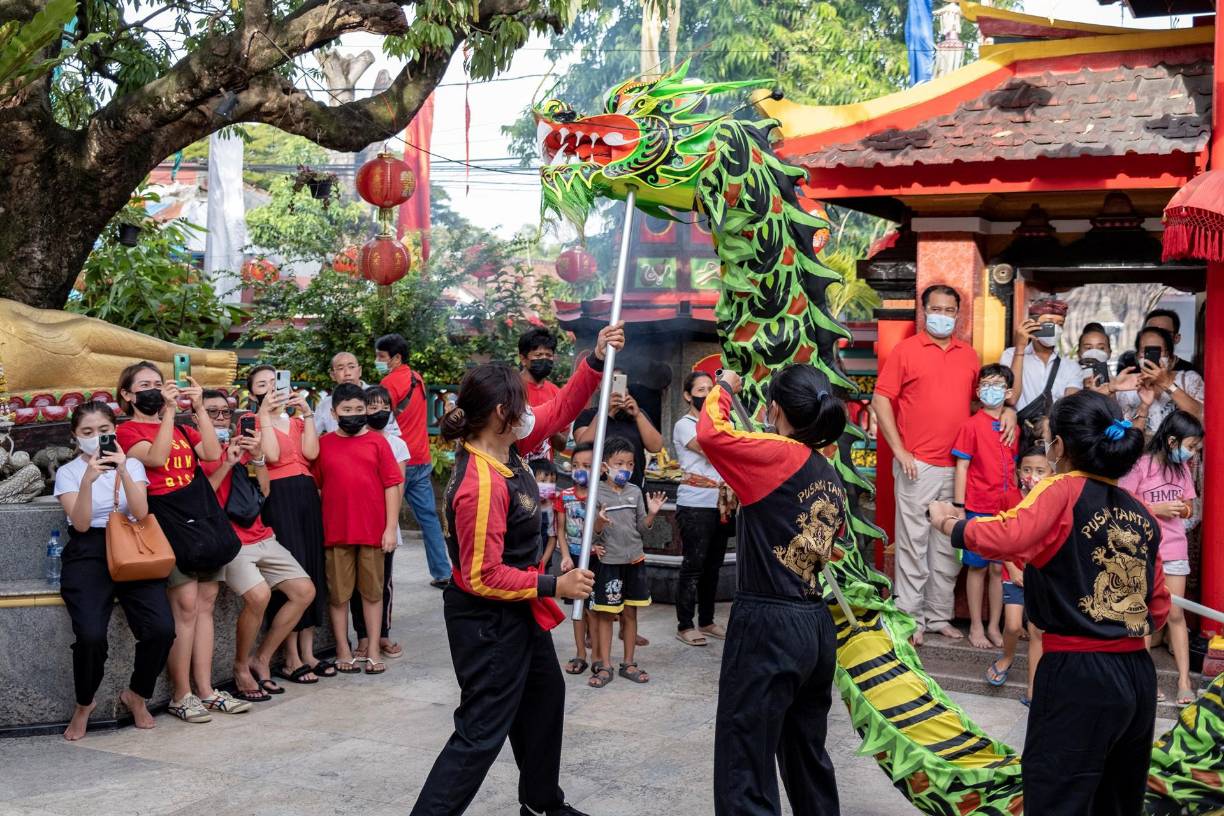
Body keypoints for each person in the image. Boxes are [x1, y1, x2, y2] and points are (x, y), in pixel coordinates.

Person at [408, 323, 624, 816]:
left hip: (521, 613)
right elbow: (480, 575)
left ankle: (542, 804)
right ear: (503, 414)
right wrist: (555, 582)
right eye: (523, 406)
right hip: (488, 624)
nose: (532, 412)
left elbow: (563, 407)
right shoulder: (480, 482)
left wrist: (593, 360)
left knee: (545, 701)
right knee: (481, 732)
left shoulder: (512, 448)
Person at [930, 390, 1170, 815]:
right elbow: (1159, 607)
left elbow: (1009, 535)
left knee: (1057, 797)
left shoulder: (1061, 489)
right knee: (1117, 801)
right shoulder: (1141, 512)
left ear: (1058, 446)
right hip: (1137, 676)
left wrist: (951, 524)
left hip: (1079, 673)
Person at [698, 365, 848, 816]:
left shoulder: (778, 454)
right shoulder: (826, 469)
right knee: (806, 754)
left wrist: (724, 385)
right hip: (813, 623)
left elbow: (711, 434)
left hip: (768, 623)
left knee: (745, 758)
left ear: (775, 408)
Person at [872, 284, 1009, 645]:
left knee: (949, 546)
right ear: (924, 311)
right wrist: (900, 451)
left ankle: (937, 616)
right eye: (937, 309)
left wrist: (1007, 411)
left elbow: (983, 405)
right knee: (913, 544)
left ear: (958, 315)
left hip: (962, 467)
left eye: (950, 310)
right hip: (918, 464)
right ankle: (909, 619)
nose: (943, 316)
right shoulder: (906, 351)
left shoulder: (970, 356)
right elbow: (881, 401)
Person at [115, 361, 249, 723]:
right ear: (127, 395)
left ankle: (205, 690)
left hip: (200, 519)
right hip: (165, 522)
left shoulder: (177, 426)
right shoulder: (126, 431)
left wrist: (199, 409)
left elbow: (209, 452)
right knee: (185, 604)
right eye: (144, 385)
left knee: (205, 602)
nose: (155, 389)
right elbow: (156, 459)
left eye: (158, 383)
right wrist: (171, 411)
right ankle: (181, 693)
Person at [54, 402, 175, 741]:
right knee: (91, 636)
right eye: (88, 433)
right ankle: (85, 703)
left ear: (114, 431)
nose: (97, 438)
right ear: (75, 437)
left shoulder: (133, 463)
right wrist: (89, 481)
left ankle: (137, 693)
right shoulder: (68, 472)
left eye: (103, 431)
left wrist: (121, 470)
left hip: (132, 543)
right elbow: (78, 524)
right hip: (88, 549)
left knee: (162, 629)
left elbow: (141, 510)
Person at [198, 390, 316, 699]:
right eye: (213, 412)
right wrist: (226, 462)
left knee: (305, 591)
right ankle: (240, 666)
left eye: (226, 413)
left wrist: (258, 457)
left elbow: (264, 491)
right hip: (231, 541)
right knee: (260, 595)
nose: (221, 418)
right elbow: (202, 500)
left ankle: (261, 658)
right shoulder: (196, 451)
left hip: (261, 534)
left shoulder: (243, 447)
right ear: (199, 416)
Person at [313, 382, 403, 675]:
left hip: (372, 533)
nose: (354, 414)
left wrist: (390, 528)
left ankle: (373, 649)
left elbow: (392, 485)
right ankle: (342, 648)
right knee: (339, 595)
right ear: (334, 412)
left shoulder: (379, 443)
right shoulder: (323, 444)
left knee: (373, 593)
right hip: (336, 533)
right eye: (347, 410)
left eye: (359, 409)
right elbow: (315, 486)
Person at [248, 365, 330, 682]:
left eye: (275, 381)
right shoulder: (255, 423)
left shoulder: (296, 421)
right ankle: (290, 657)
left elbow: (311, 452)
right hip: (279, 496)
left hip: (306, 493)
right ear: (255, 392)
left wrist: (308, 413)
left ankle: (307, 651)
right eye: (262, 384)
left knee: (312, 564)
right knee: (292, 565)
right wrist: (266, 416)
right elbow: (269, 455)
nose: (271, 387)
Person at [1120, 410, 1202, 706]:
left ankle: (1184, 680)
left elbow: (1190, 506)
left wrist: (1183, 510)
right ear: (1172, 440)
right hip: (1143, 551)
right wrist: (1157, 510)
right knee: (1142, 617)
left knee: (1175, 614)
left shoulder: (1183, 470)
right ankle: (1147, 680)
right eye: (1190, 446)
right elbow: (1123, 505)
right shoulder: (1141, 465)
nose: (1191, 453)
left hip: (1175, 550)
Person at [952, 363, 1021, 650]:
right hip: (978, 506)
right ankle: (976, 626)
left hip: (1007, 509)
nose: (989, 389)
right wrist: (959, 506)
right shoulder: (971, 425)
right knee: (977, 568)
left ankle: (995, 625)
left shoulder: (1011, 426)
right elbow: (962, 467)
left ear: (1008, 393)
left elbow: (1015, 468)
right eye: (985, 384)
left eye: (996, 384)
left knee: (998, 570)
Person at [376, 333, 452, 589]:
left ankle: (379, 573)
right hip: (420, 456)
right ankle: (442, 572)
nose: (378, 361)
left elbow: (380, 420)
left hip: (397, 459)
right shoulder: (416, 378)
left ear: (396, 358)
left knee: (384, 517)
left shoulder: (388, 383)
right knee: (429, 517)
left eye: (381, 357)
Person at [588, 436, 665, 688]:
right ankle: (605, 664)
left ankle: (628, 662)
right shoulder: (596, 492)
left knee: (630, 613)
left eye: (630, 465)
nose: (624, 469)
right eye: (619, 463)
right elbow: (593, 533)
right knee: (606, 615)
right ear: (604, 466)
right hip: (609, 561)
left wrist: (652, 513)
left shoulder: (635, 492)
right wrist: (599, 521)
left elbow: (642, 528)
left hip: (634, 559)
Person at [985, 445, 1052, 706]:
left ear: (1050, 473)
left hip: (1042, 577)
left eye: (1039, 470)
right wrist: (1012, 568)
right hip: (1013, 572)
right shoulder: (1008, 498)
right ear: (1017, 472)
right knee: (1013, 625)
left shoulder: (1051, 500)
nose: (1031, 475)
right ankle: (1007, 656)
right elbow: (999, 538)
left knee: (1037, 631)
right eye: (1026, 470)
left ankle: (1033, 690)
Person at [349, 384, 411, 661]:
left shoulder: (396, 444)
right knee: (354, 583)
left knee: (382, 581)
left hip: (384, 522)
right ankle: (362, 636)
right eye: (373, 406)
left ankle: (382, 634)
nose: (379, 412)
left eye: (385, 407)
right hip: (355, 519)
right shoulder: (352, 440)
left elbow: (397, 486)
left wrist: (390, 524)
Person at [672, 370, 732, 647]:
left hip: (720, 503)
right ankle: (685, 624)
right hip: (694, 503)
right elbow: (713, 449)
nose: (706, 394)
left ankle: (706, 621)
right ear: (687, 395)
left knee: (713, 566)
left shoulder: (722, 423)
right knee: (693, 565)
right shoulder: (685, 424)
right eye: (700, 390)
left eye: (711, 389)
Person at [557, 443, 605, 676]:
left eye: (587, 466)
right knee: (577, 608)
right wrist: (565, 556)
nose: (580, 470)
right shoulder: (564, 496)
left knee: (593, 609)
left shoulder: (600, 496)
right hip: (575, 559)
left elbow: (604, 528)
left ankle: (597, 655)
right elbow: (560, 530)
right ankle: (580, 653)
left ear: (598, 469)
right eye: (576, 465)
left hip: (595, 559)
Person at [573, 366, 664, 488]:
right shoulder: (588, 416)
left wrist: (638, 415)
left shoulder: (637, 415)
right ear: (600, 387)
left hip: (632, 489)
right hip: (596, 490)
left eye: (620, 384)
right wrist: (604, 413)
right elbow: (583, 446)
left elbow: (656, 446)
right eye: (611, 383)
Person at [1000, 297, 1082, 417]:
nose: (1055, 329)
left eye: (1060, 324)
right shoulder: (1010, 355)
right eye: (1049, 323)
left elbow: (1069, 408)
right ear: (1032, 324)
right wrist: (1020, 348)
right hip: (1019, 429)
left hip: (1053, 431)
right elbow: (1011, 399)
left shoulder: (1070, 367)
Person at [1116, 326, 1204, 433]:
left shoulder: (1189, 380)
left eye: (1158, 351)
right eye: (1146, 351)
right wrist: (1144, 406)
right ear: (1137, 356)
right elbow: (1125, 436)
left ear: (1169, 355)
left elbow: (1202, 417)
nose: (1153, 357)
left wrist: (1167, 384)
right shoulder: (1127, 387)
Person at [519, 327, 568, 462]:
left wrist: (550, 427)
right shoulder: (510, 387)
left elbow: (562, 445)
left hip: (544, 476)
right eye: (538, 355)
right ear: (523, 359)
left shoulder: (557, 393)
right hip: (514, 471)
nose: (544, 359)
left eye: (548, 355)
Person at [315, 352, 376, 435]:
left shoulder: (377, 396)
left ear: (360, 371)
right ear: (332, 375)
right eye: (340, 368)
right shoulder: (325, 405)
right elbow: (313, 434)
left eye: (351, 367)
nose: (347, 373)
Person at [1144, 308, 1196, 373]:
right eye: (1151, 332)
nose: (1156, 338)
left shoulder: (1189, 371)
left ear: (1176, 338)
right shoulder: (1131, 366)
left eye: (1164, 333)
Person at [529, 458, 559, 571]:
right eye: (543, 481)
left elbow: (552, 538)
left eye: (552, 482)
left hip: (543, 560)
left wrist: (543, 563)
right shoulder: (523, 505)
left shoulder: (552, 508)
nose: (548, 485)